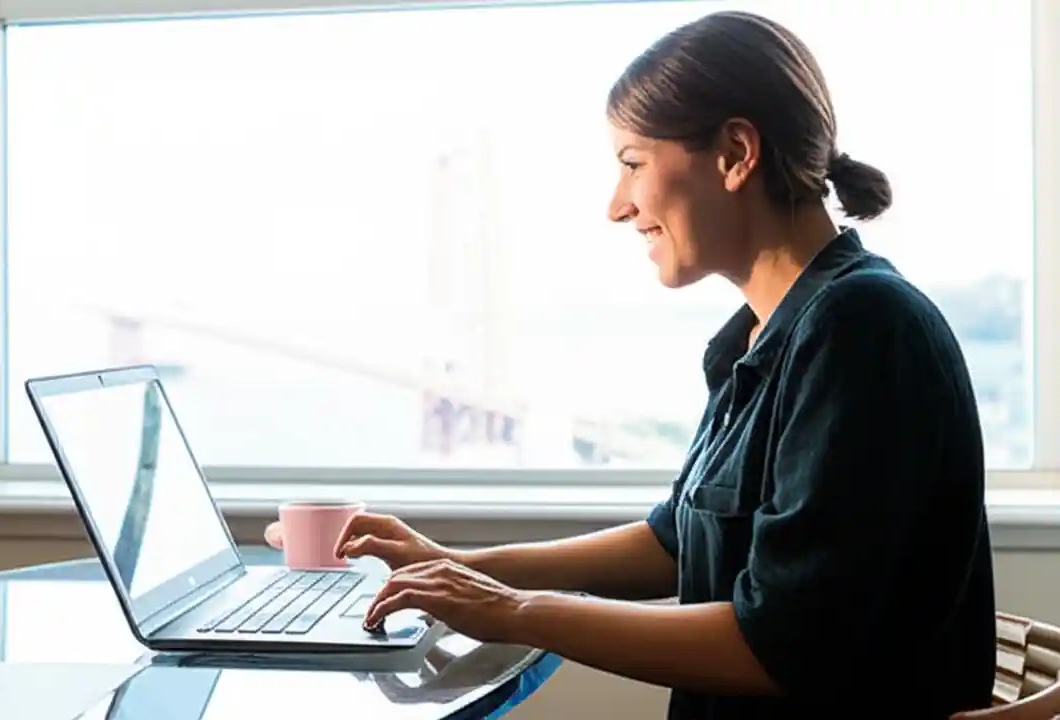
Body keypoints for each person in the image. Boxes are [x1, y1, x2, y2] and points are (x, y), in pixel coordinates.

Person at [333, 9, 996, 719]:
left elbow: (781, 643)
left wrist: (516, 611)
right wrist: (462, 569)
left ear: (736, 153)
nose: (619, 206)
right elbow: (673, 544)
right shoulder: (759, 337)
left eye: (632, 164)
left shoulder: (863, 328)